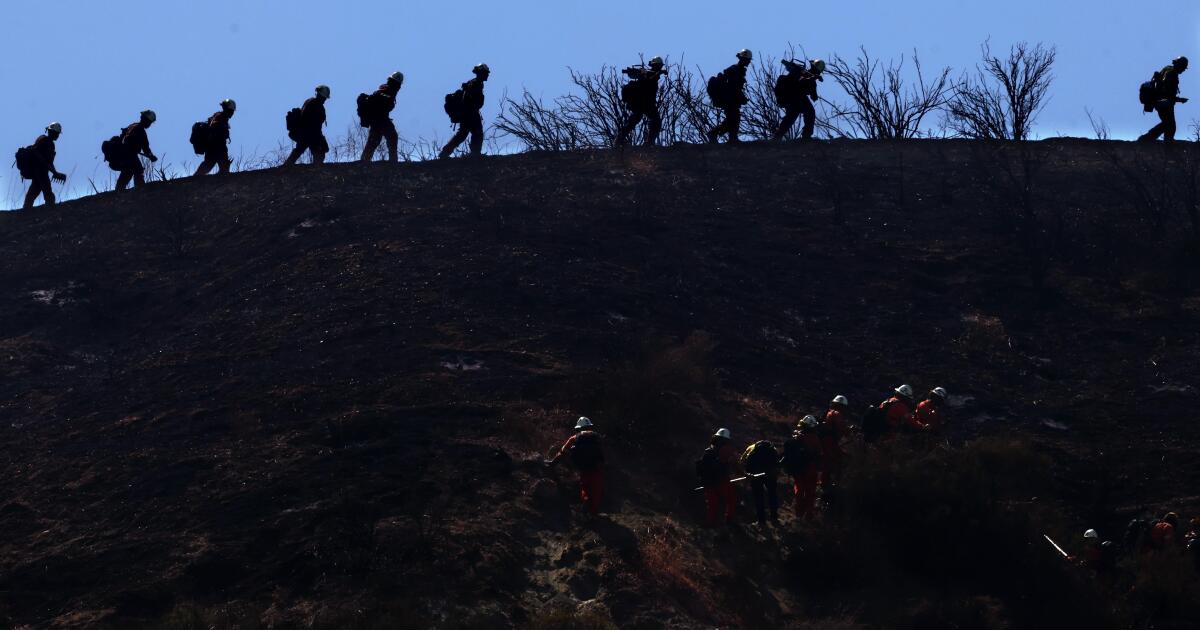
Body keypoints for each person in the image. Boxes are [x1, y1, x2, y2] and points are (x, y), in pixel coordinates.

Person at [548, 416, 605, 515]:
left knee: (585, 489)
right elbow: (603, 454)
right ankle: (593, 513)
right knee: (596, 492)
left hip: (583, 469)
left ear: (578, 428)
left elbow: (562, 452)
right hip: (596, 470)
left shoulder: (574, 438)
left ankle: (586, 506)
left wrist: (552, 463)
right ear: (590, 426)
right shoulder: (597, 437)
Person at [439, 64, 490, 159]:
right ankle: (474, 154)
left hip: (469, 113)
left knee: (465, 133)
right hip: (469, 113)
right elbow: (469, 99)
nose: (487, 75)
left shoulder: (476, 83)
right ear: (481, 73)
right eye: (486, 73)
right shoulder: (475, 83)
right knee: (473, 133)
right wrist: (471, 110)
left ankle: (446, 153)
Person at [617, 56, 666, 147]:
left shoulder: (652, 75)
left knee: (653, 121)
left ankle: (649, 142)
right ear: (653, 66)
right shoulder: (646, 74)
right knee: (637, 120)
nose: (659, 67)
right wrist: (658, 72)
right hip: (642, 102)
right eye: (657, 66)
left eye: (659, 66)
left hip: (646, 103)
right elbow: (650, 76)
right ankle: (619, 140)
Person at [780, 416, 823, 519]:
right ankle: (808, 514)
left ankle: (799, 514)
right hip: (810, 469)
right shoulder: (814, 438)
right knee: (810, 492)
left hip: (798, 470)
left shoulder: (796, 437)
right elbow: (820, 454)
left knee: (799, 490)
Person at [707, 49, 753, 144]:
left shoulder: (738, 70)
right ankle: (715, 134)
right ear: (743, 59)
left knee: (733, 118)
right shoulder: (735, 70)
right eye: (748, 60)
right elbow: (733, 87)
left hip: (731, 99)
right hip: (729, 99)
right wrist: (740, 97)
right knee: (733, 118)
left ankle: (731, 138)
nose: (749, 62)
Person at [1139, 56, 1189, 142]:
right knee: (1169, 124)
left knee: (1167, 124)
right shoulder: (1172, 74)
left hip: (1160, 102)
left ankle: (1152, 139)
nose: (1183, 70)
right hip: (1164, 103)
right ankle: (1148, 139)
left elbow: (1162, 87)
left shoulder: (1167, 68)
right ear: (1179, 65)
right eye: (1183, 68)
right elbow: (1166, 92)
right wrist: (1179, 100)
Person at [696, 428, 739, 527]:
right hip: (717, 482)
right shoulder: (717, 452)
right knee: (723, 502)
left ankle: (718, 524)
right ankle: (721, 524)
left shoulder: (709, 452)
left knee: (716, 504)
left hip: (713, 483)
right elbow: (733, 464)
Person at [18, 123, 67, 209]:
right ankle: (51, 209)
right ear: (52, 132)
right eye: (57, 133)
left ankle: (25, 210)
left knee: (33, 191)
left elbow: (49, 161)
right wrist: (53, 172)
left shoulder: (44, 140)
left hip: (38, 171)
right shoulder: (47, 142)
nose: (58, 135)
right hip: (40, 171)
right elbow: (40, 156)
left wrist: (55, 172)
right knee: (47, 191)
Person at [772, 58, 824, 140]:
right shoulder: (802, 72)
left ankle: (777, 137)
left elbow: (814, 97)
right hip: (794, 96)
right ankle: (806, 136)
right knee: (809, 112)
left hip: (793, 99)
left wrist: (814, 92)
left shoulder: (811, 78)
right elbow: (800, 82)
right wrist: (812, 78)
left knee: (791, 116)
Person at [361, 72, 404, 162]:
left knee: (374, 140)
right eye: (398, 84)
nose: (399, 87)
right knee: (392, 136)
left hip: (377, 119)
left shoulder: (388, 90)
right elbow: (379, 103)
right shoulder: (387, 91)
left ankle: (364, 161)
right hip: (380, 118)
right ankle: (393, 162)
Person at [284, 85, 331, 166]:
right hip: (310, 133)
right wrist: (319, 137)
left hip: (305, 133)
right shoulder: (316, 105)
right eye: (324, 97)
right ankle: (317, 169)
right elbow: (313, 123)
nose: (325, 99)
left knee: (299, 150)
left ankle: (286, 167)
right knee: (319, 151)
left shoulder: (311, 102)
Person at [739, 438, 779, 525]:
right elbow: (777, 462)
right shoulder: (772, 449)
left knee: (759, 497)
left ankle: (761, 521)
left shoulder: (751, 448)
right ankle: (774, 517)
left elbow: (742, 461)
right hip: (770, 474)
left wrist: (746, 473)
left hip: (755, 475)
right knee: (772, 495)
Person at [116, 110, 159, 192]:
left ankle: (118, 191)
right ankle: (140, 190)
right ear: (145, 120)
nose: (149, 125)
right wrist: (151, 156)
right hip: (129, 154)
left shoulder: (133, 126)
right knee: (138, 170)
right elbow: (145, 147)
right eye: (149, 122)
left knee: (127, 171)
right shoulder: (140, 131)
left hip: (124, 153)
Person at [195, 99, 236, 176]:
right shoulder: (220, 117)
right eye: (231, 110)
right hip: (217, 145)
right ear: (226, 109)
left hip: (213, 145)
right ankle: (195, 179)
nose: (232, 113)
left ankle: (195, 178)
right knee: (221, 166)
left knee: (209, 164)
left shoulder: (220, 116)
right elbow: (215, 128)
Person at [819, 395, 849, 488]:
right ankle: (833, 483)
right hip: (831, 442)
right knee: (837, 461)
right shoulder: (837, 414)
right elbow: (841, 428)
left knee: (827, 462)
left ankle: (825, 483)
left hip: (827, 441)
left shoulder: (829, 412)